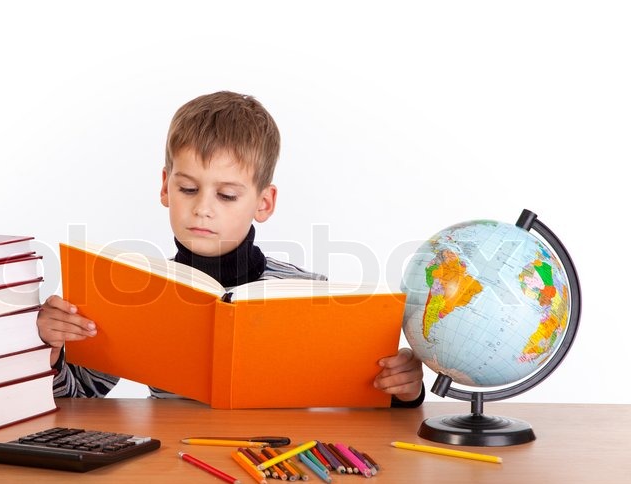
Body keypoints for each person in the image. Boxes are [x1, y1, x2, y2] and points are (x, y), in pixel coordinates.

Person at [38, 91, 424, 407]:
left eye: (226, 195)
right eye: (188, 189)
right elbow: (72, 397)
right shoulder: (135, 294)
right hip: (175, 472)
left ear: (263, 203)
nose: (203, 208)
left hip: (280, 474)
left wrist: (403, 388)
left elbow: (366, 404)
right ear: (164, 187)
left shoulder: (312, 293)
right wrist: (50, 347)